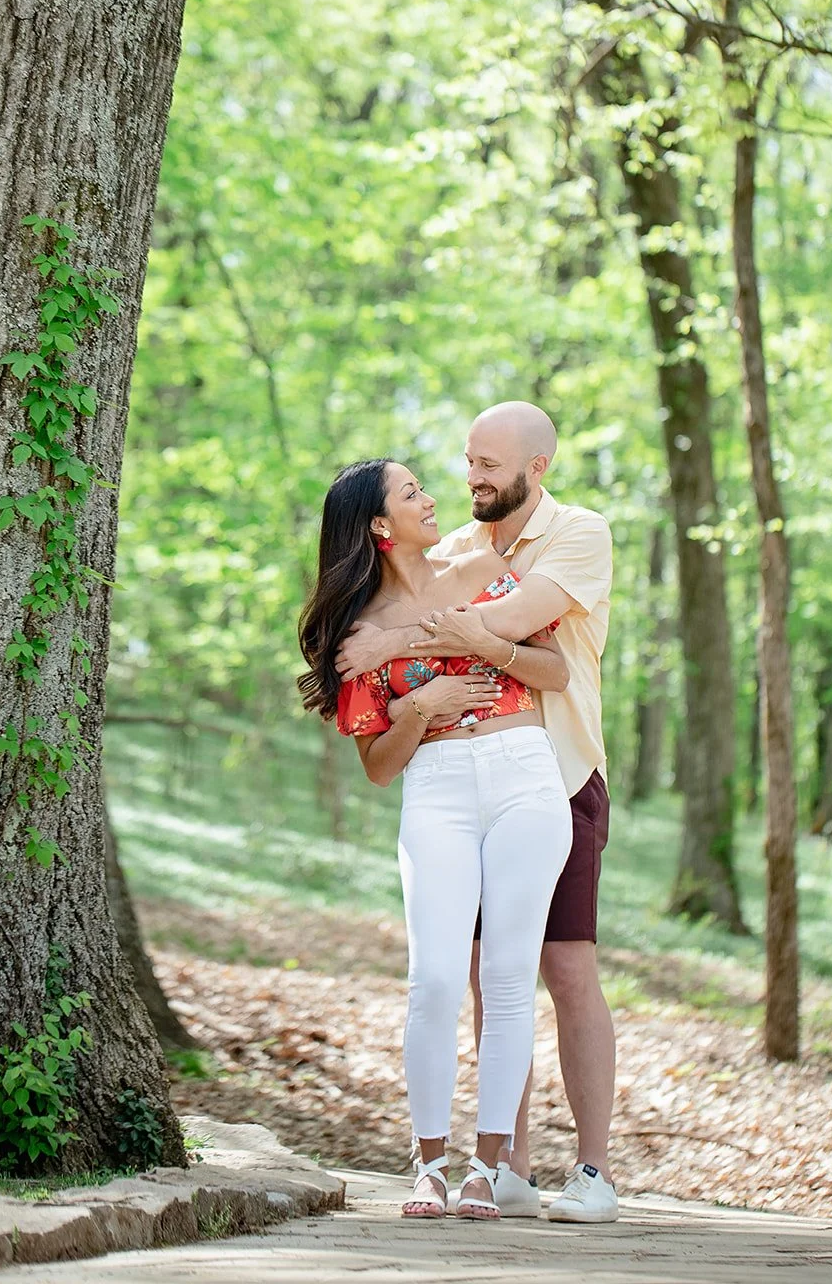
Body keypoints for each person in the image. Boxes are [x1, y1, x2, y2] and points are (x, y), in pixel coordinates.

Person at [336, 403, 618, 1223]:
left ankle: (592, 1173)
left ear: (536, 468)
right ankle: (505, 1168)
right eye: (465, 462)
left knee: (563, 972)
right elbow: (411, 614)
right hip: (449, 782)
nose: (469, 478)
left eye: (487, 464)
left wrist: (390, 647)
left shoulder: (577, 534)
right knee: (470, 980)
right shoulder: (457, 550)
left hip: (558, 771)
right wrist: (413, 683)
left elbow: (515, 629)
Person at [298, 457, 573, 1221]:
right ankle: (427, 1165)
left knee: (512, 976)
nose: (432, 498)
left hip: (524, 771)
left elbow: (555, 672)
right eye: (411, 492)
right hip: (438, 788)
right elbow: (380, 767)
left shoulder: (488, 563)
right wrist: (422, 706)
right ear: (379, 526)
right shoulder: (356, 633)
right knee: (435, 979)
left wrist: (479, 650)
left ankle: (487, 1168)